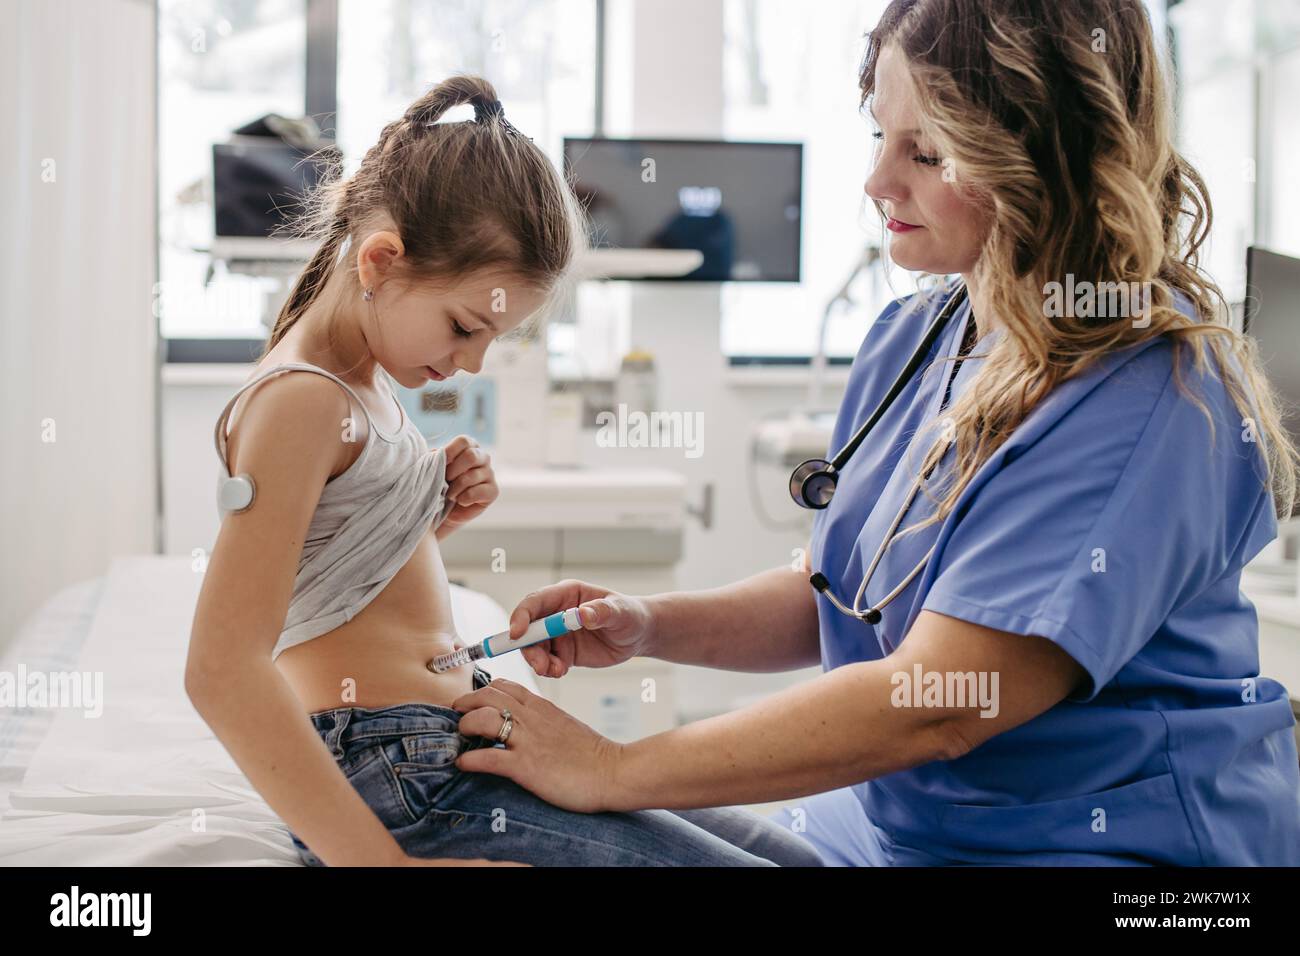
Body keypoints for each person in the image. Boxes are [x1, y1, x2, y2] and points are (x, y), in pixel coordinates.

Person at [448, 0, 1300, 866]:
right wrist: (649, 624)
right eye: (881, 136)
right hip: (910, 829)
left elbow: (936, 702)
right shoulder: (922, 335)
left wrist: (609, 766)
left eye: (926, 153)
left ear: (1048, 155)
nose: (877, 182)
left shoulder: (1144, 387)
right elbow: (844, 591)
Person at [186, 74, 822, 868]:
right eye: (464, 326)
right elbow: (220, 671)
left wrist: (420, 516)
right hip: (399, 777)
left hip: (448, 745)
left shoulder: (364, 383)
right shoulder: (303, 402)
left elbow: (328, 575)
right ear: (382, 260)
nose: (473, 363)